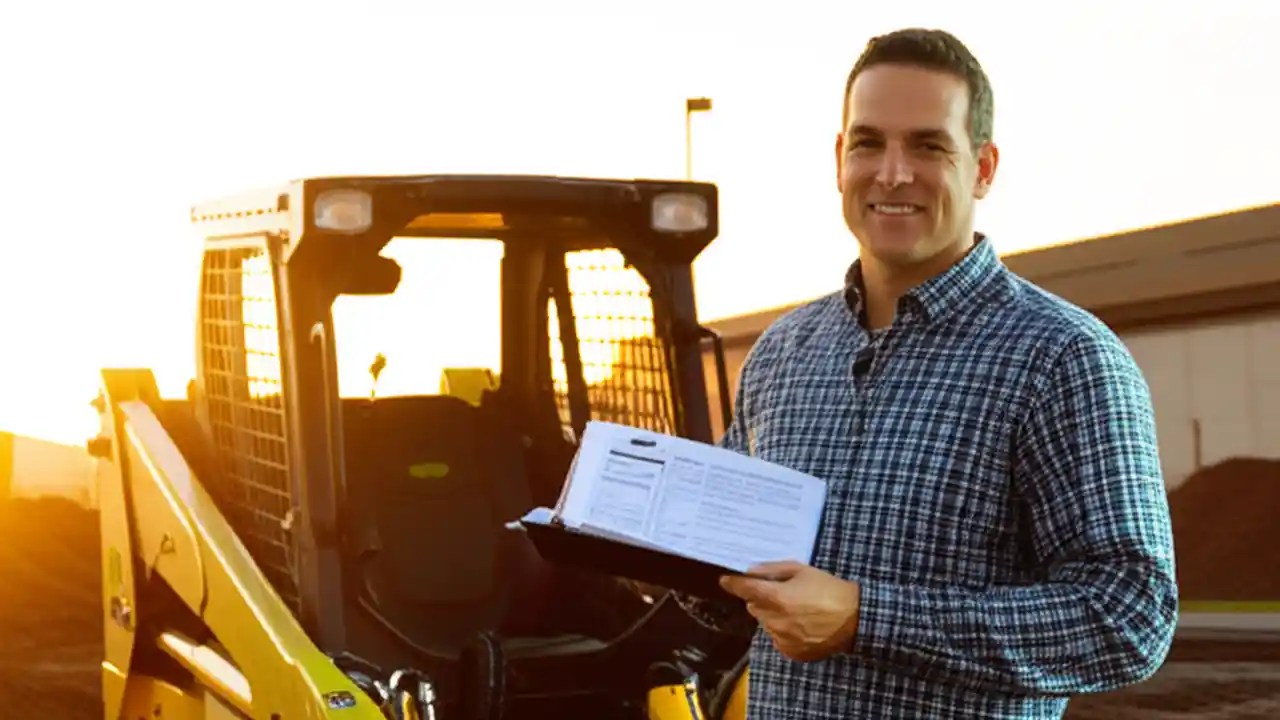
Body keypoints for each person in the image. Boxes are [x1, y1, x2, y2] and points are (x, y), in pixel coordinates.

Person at [714, 27, 1179, 718]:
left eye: (928, 146)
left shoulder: (1063, 358)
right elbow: (728, 562)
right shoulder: (783, 353)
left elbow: (1128, 616)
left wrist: (865, 618)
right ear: (840, 158)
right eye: (868, 143)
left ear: (984, 168)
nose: (893, 173)